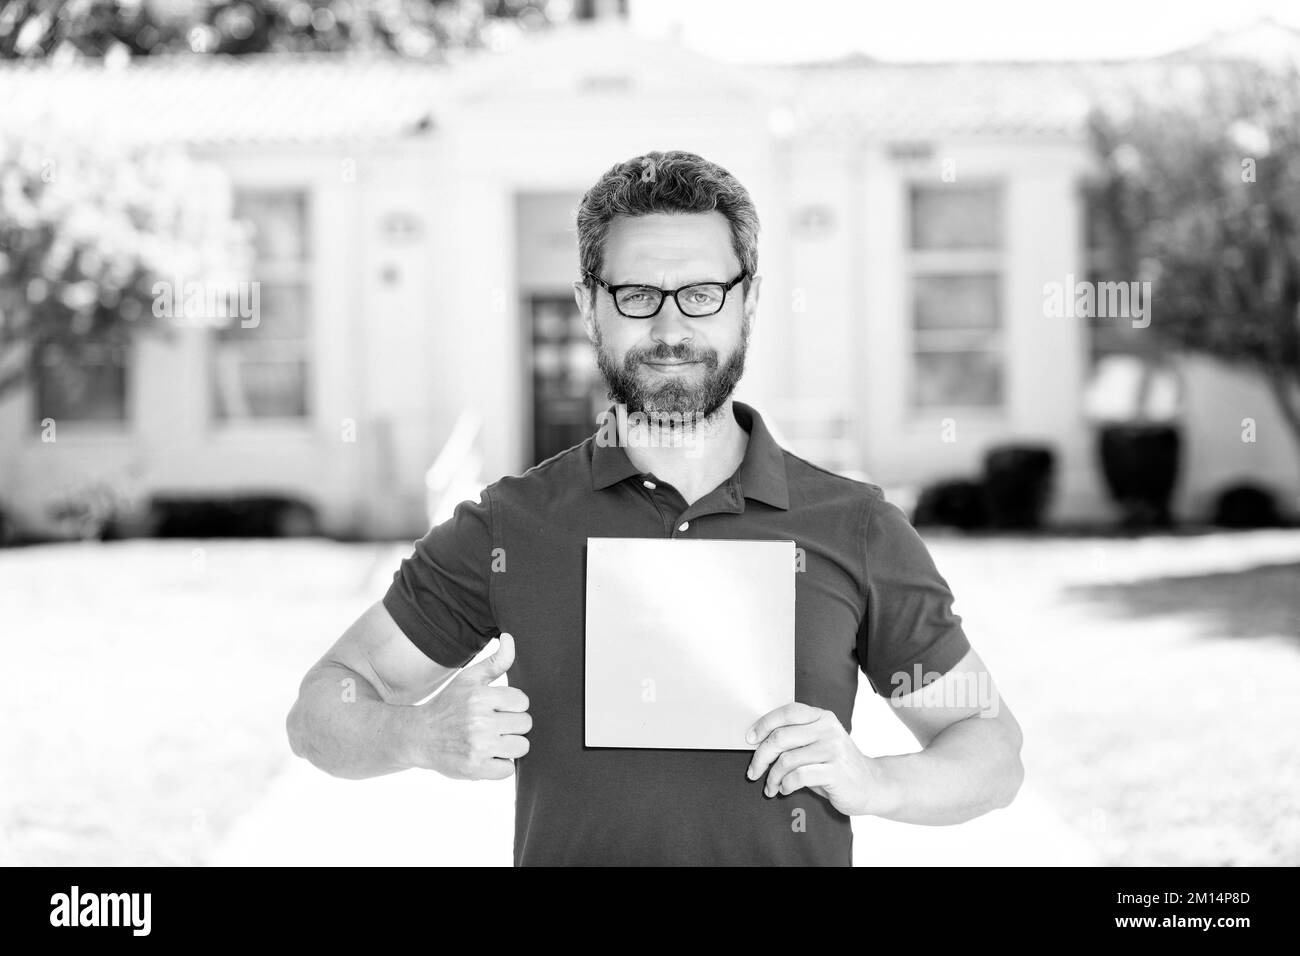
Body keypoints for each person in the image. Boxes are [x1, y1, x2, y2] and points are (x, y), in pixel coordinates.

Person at [286, 150, 1023, 866]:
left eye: (702, 293)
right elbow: (322, 710)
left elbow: (989, 747)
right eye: (637, 296)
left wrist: (876, 780)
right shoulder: (509, 525)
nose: (670, 331)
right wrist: (417, 735)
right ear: (588, 307)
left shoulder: (854, 526)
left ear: (750, 302)